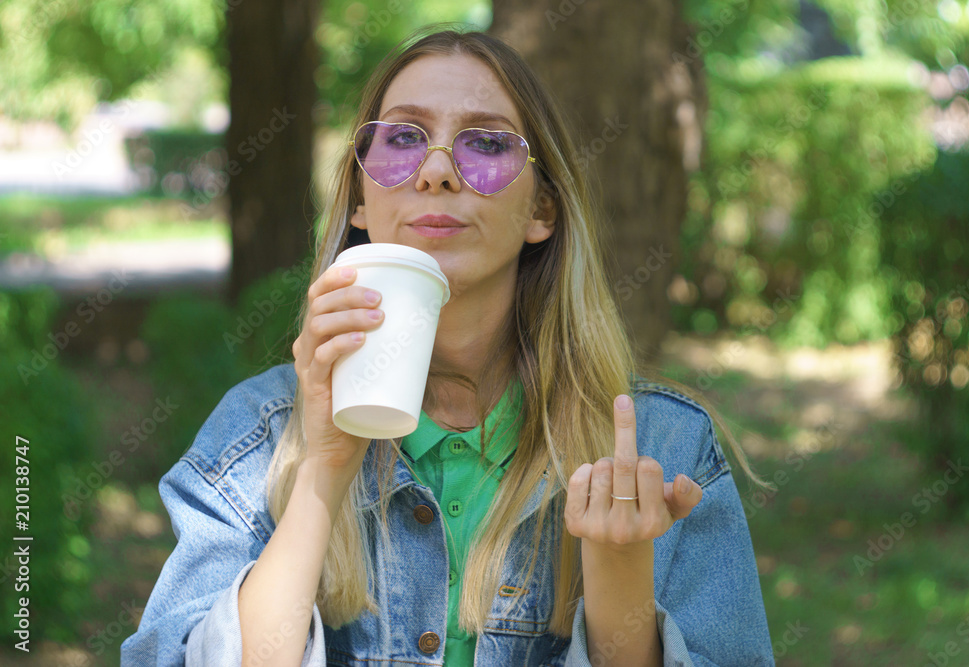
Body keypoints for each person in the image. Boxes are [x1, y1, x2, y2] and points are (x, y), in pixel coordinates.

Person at [121, 25, 776, 667]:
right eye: (404, 137)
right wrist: (323, 465)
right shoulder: (255, 438)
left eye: (486, 142)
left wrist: (620, 573)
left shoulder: (664, 450)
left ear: (542, 210)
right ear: (358, 198)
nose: (435, 171)